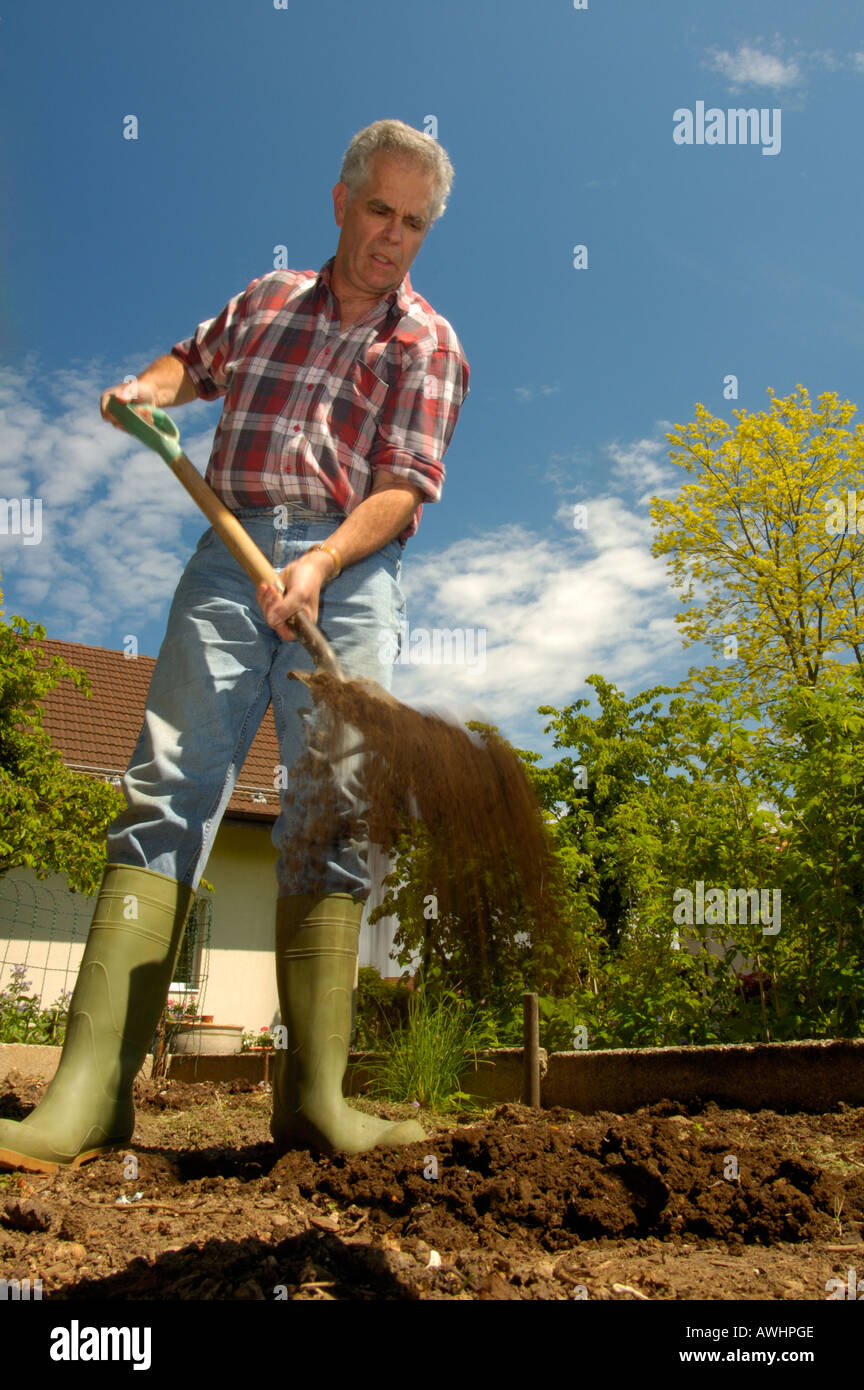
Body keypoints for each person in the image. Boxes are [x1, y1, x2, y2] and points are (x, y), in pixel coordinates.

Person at [0, 119, 469, 1172]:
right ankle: (90, 1090)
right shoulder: (265, 301)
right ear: (340, 201)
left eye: (416, 224)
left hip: (349, 575)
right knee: (169, 781)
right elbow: (190, 361)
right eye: (381, 210)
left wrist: (322, 563)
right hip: (231, 550)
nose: (394, 236)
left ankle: (313, 1100)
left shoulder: (430, 345)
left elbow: (400, 487)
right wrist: (148, 393)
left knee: (332, 807)